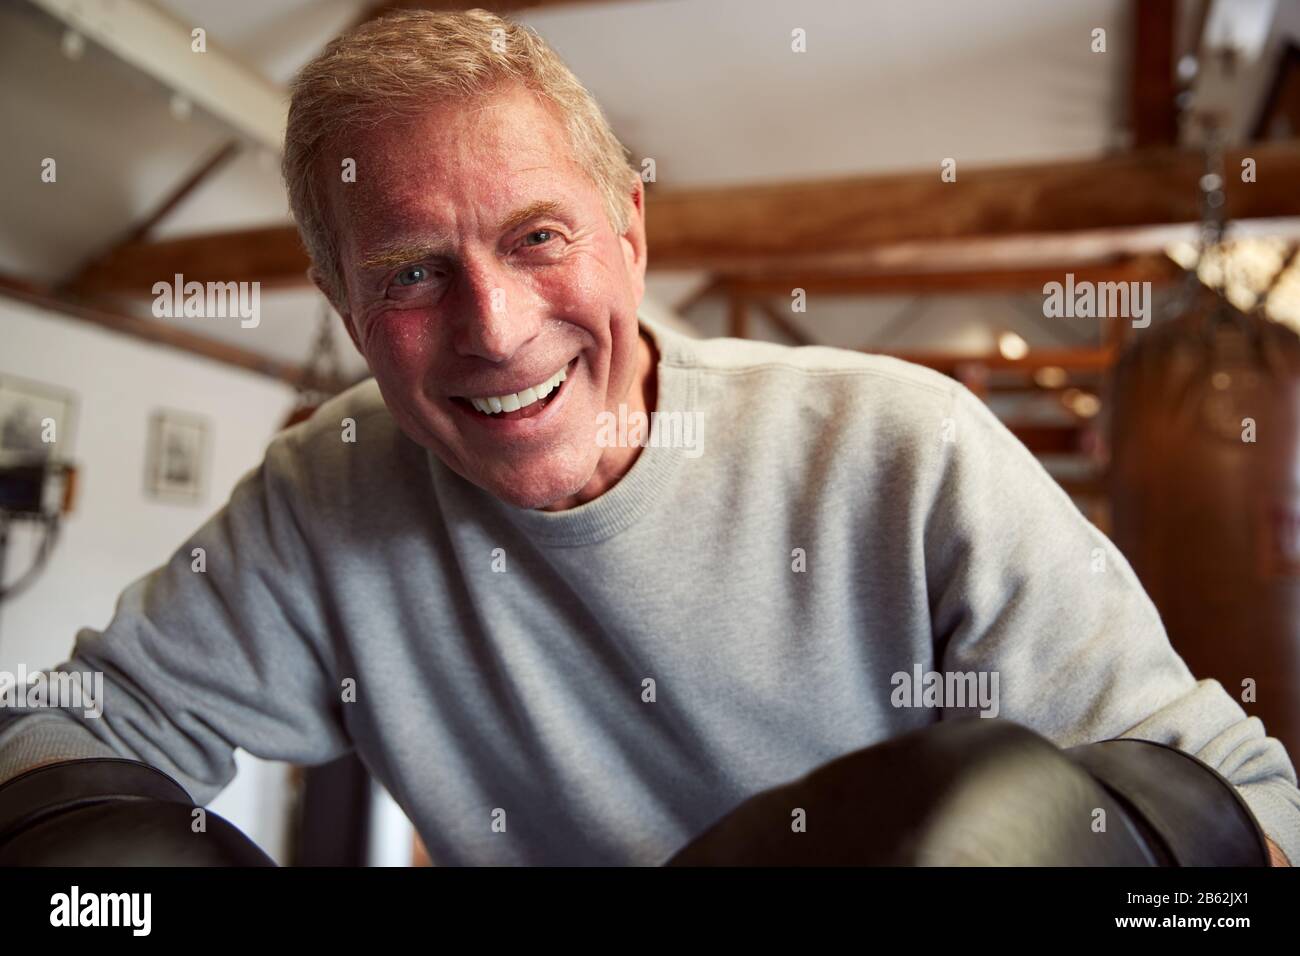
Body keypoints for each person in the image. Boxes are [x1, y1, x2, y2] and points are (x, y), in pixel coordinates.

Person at [0, 9, 1295, 866]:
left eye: (537, 238)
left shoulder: (906, 457)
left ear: (631, 229)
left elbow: (1259, 805)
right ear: (340, 308)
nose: (495, 330)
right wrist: (88, 855)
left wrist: (1100, 842)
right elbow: (79, 720)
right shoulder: (323, 495)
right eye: (408, 275)